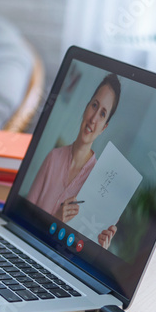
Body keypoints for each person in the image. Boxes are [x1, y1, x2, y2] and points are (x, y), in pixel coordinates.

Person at [26, 74, 121, 248]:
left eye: (102, 114)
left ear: (104, 127)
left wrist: (101, 248)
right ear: (86, 107)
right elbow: (23, 218)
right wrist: (54, 220)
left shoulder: (99, 185)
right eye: (94, 105)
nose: (93, 119)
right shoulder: (53, 158)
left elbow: (82, 250)